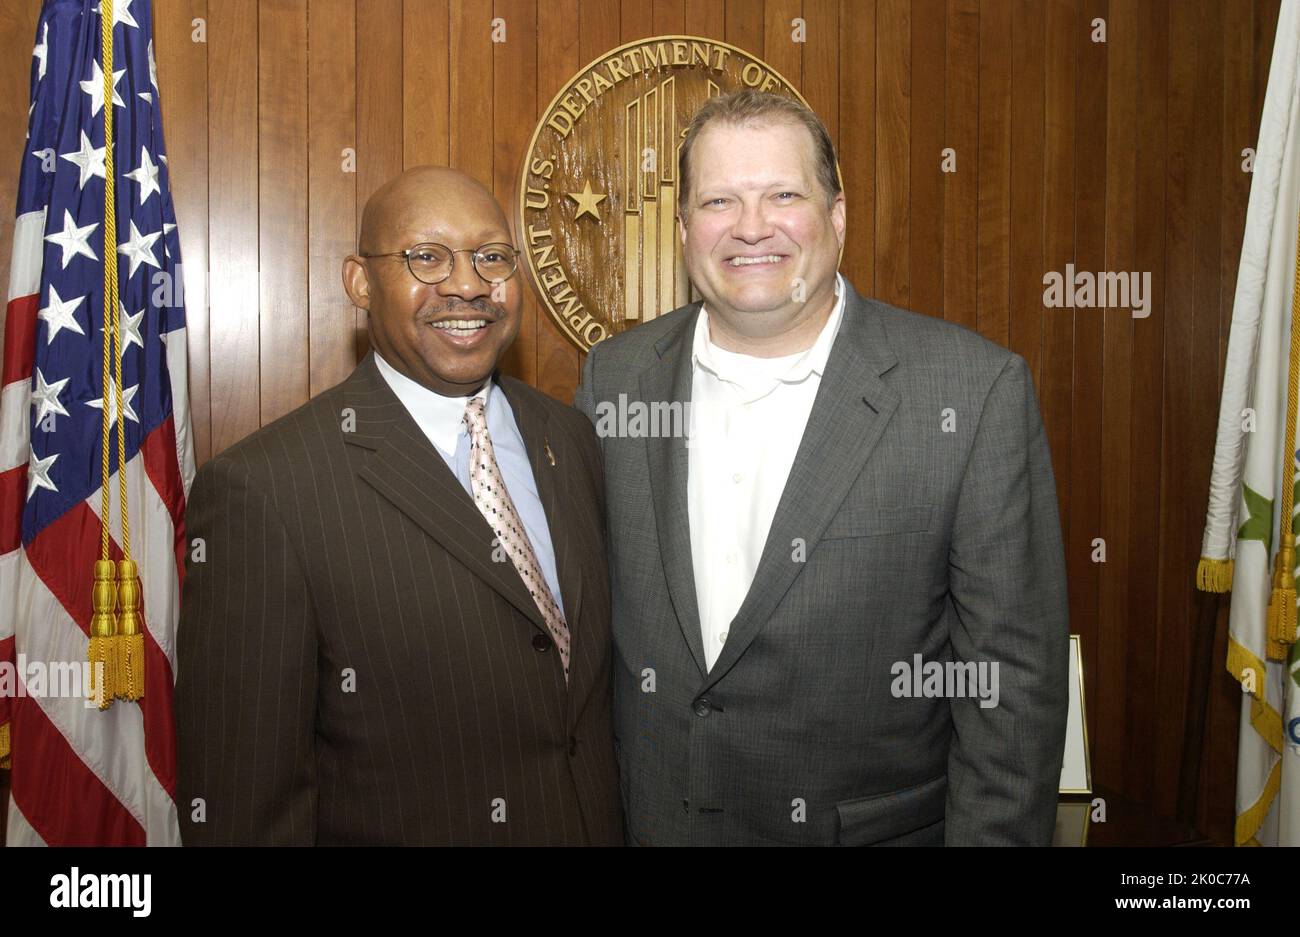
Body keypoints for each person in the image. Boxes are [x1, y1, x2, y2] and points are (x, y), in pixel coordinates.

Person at [575, 90, 1069, 845]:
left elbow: (1010, 691)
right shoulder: (613, 380)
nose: (750, 226)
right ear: (682, 230)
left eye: (783, 195)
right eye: (718, 200)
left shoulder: (972, 393)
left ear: (837, 217)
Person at [176, 166, 621, 845]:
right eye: (427, 257)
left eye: (491, 257)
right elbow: (246, 803)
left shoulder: (570, 438)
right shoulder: (264, 490)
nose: (468, 284)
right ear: (360, 282)